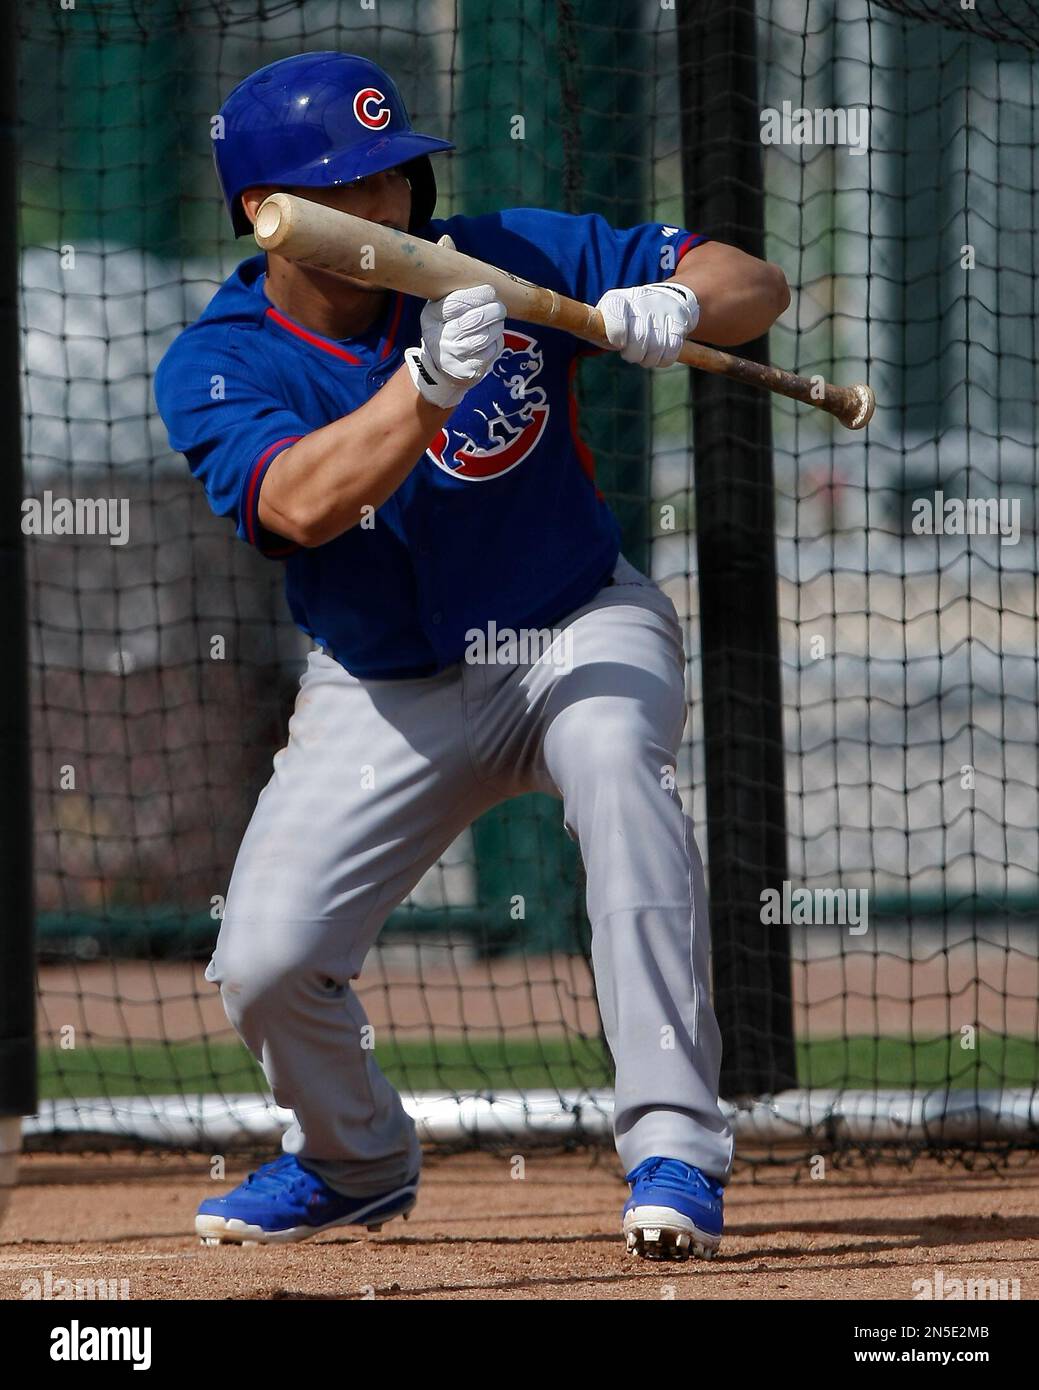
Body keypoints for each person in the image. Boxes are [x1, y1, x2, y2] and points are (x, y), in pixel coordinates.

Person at [154, 50, 789, 1260]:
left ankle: (673, 1147)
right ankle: (353, 1160)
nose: (387, 208)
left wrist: (682, 303)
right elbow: (295, 502)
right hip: (384, 686)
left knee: (614, 762)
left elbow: (757, 277)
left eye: (397, 176)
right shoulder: (217, 358)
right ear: (264, 212)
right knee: (267, 961)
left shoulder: (506, 256)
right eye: (351, 187)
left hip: (573, 625)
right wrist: (427, 386)